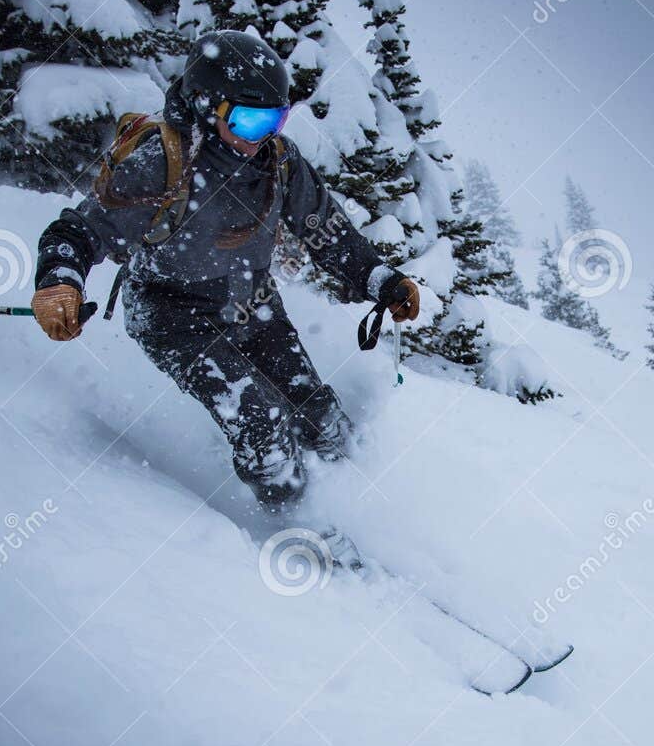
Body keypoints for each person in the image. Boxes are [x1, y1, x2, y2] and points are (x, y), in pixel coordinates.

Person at [31, 30, 420, 512]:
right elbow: (77, 231)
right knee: (261, 419)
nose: (263, 136)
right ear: (205, 106)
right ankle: (299, 523)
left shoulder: (278, 163)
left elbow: (328, 232)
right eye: (250, 121)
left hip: (250, 299)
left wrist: (380, 280)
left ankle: (361, 501)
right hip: (172, 314)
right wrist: (59, 283)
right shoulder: (161, 163)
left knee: (318, 413)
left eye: (275, 120)